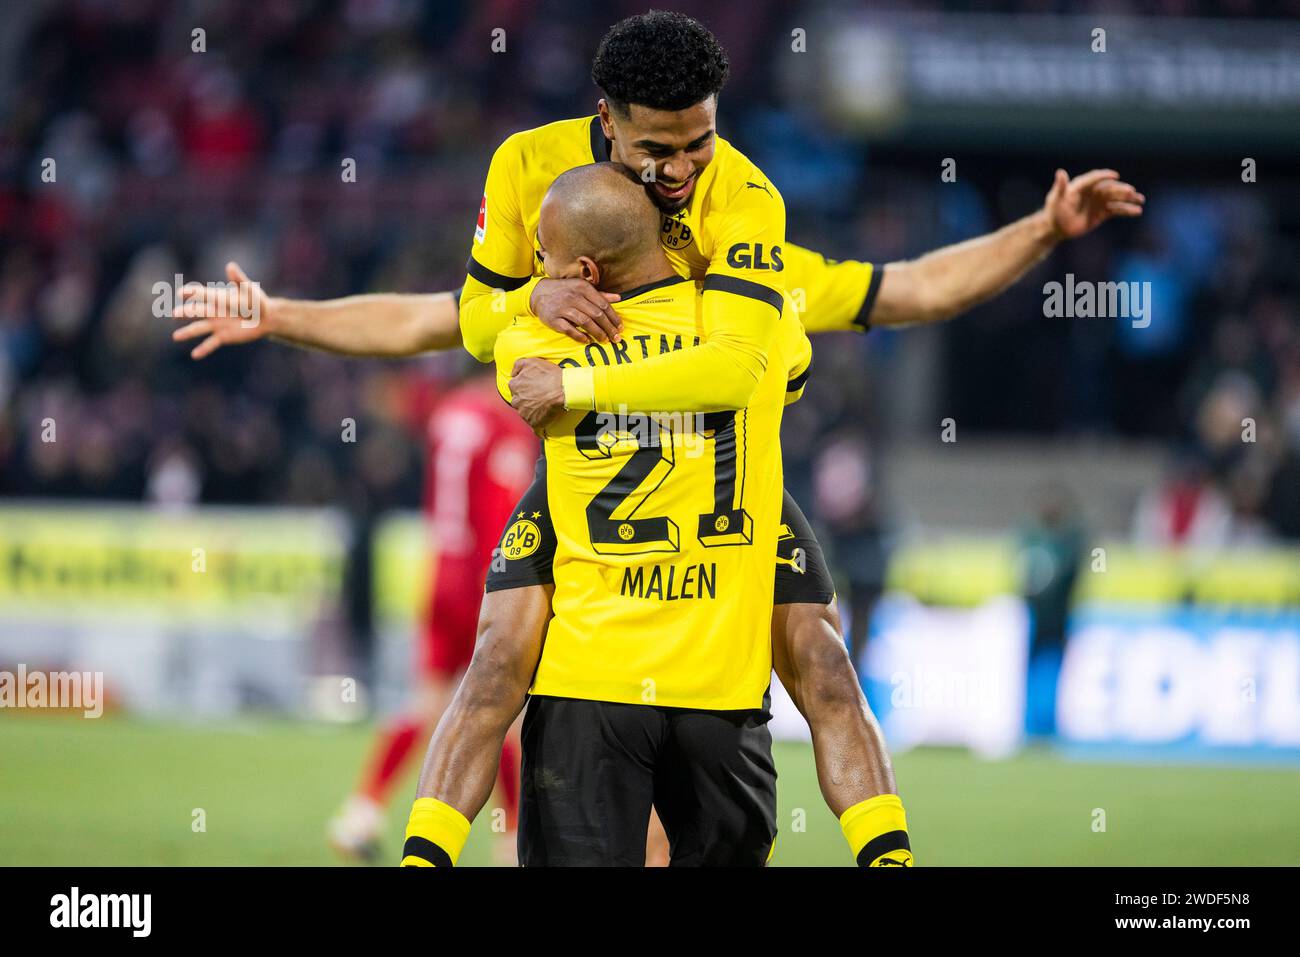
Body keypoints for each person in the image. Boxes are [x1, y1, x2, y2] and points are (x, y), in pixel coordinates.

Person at [171, 10, 1141, 867]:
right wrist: (310, 312)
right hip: (597, 480)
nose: (683, 170)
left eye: (699, 144)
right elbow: (451, 319)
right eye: (658, 151)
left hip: (718, 476)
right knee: (497, 659)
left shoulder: (744, 200)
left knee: (821, 658)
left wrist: (1040, 233)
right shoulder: (527, 170)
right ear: (606, 119)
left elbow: (902, 291)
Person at [406, 161, 797, 866]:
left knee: (488, 671)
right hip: (723, 693)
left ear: (583, 270)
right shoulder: (755, 335)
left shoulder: (537, 351)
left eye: (546, 261)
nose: (540, 275)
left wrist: (534, 309)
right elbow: (775, 364)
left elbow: (481, 329)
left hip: (589, 684)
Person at [328, 362, 536, 862]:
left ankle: (362, 811)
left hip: (441, 574)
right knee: (508, 715)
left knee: (428, 708)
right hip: (485, 581)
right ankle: (510, 840)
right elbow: (503, 514)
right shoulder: (504, 423)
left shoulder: (448, 412)